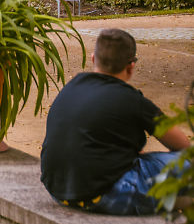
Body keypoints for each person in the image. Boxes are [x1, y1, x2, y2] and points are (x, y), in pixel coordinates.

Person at [41, 28, 192, 215]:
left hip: (58, 191)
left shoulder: (73, 86)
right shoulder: (132, 100)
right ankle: (171, 199)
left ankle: (171, 200)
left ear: (93, 59)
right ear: (131, 66)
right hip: (107, 194)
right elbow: (183, 147)